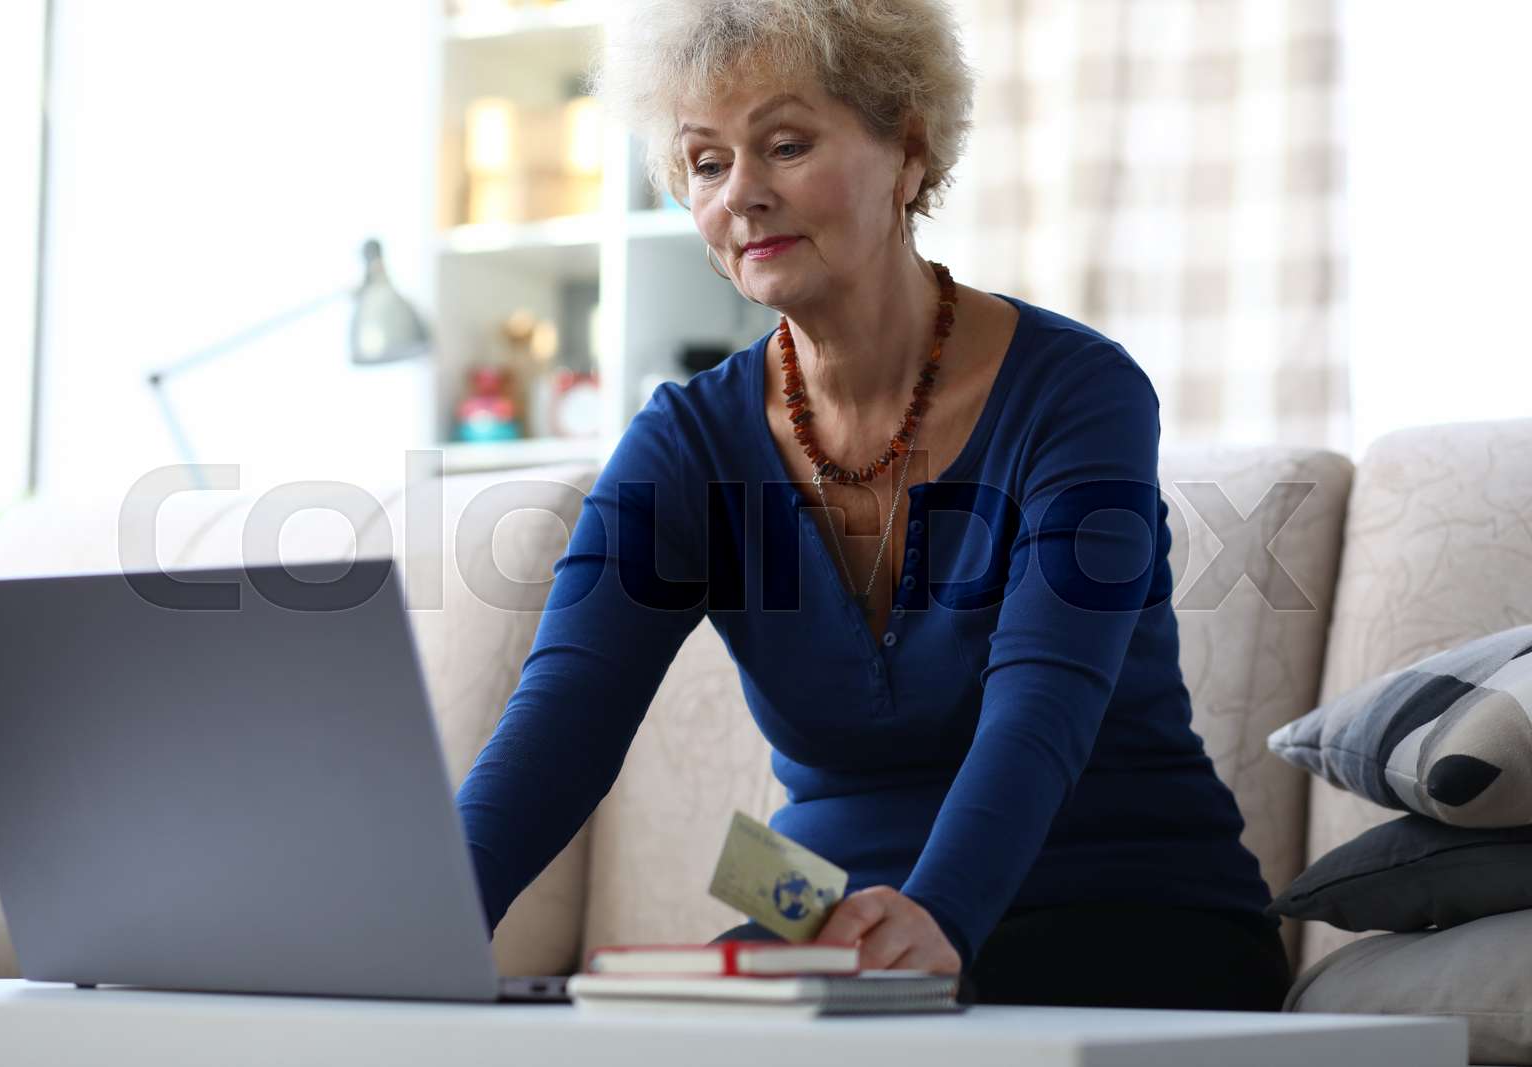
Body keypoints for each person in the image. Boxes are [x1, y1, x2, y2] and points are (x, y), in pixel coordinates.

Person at [456, 0, 1292, 1011]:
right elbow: (560, 727)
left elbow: (1043, 701)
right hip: (836, 930)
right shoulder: (683, 444)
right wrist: (413, 926)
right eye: (707, 164)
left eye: (786, 143)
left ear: (907, 151)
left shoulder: (1077, 394)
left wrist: (939, 913)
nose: (744, 195)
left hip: (1124, 904)